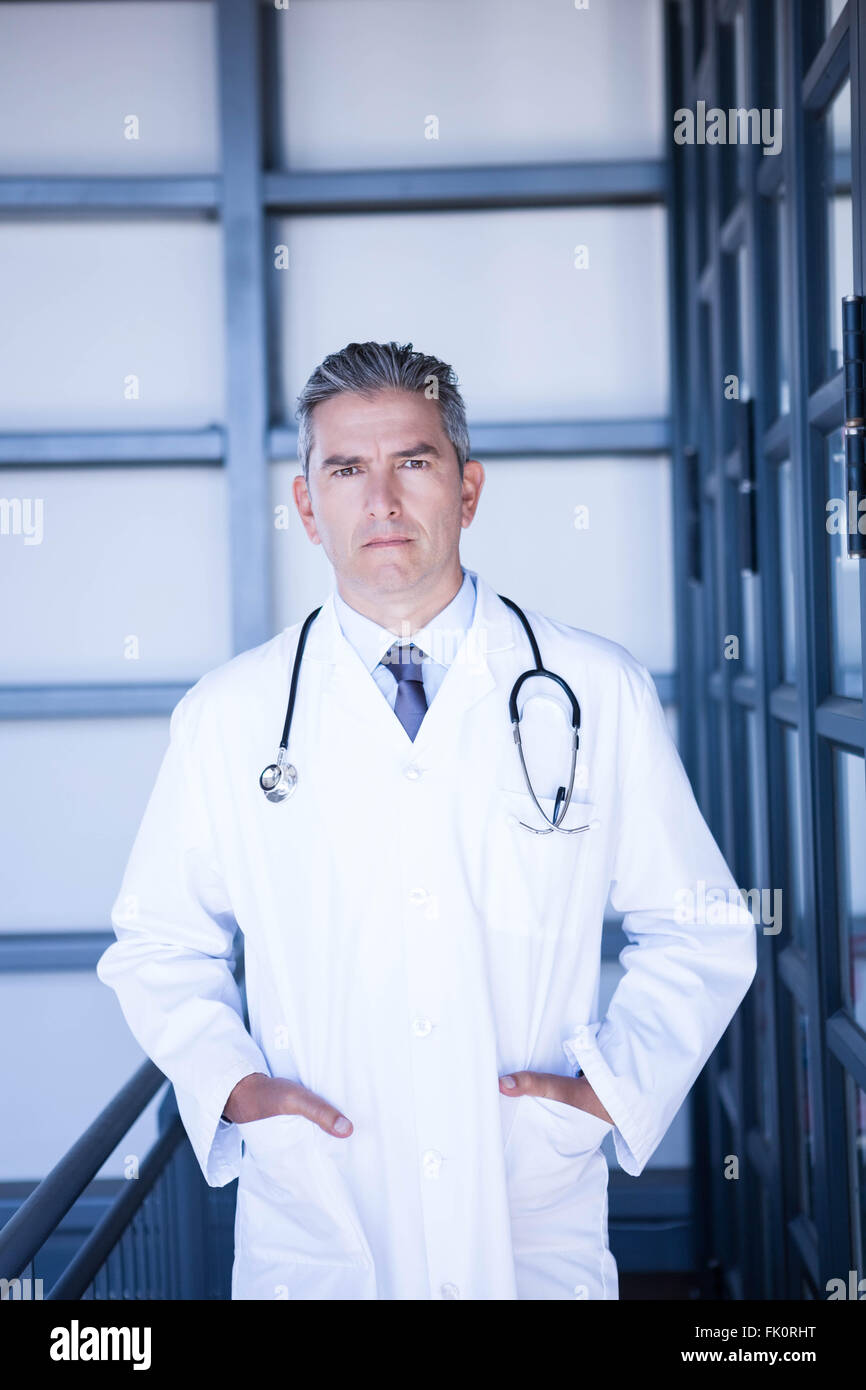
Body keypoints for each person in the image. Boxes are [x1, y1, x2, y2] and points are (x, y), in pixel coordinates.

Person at [96, 340, 757, 1301]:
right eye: (347, 470)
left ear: (469, 487)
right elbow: (158, 945)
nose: (383, 501)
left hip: (525, 1201)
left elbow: (699, 929)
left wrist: (610, 1093)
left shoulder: (593, 690)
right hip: (321, 1212)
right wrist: (236, 1088)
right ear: (306, 504)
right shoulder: (229, 715)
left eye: (412, 462)